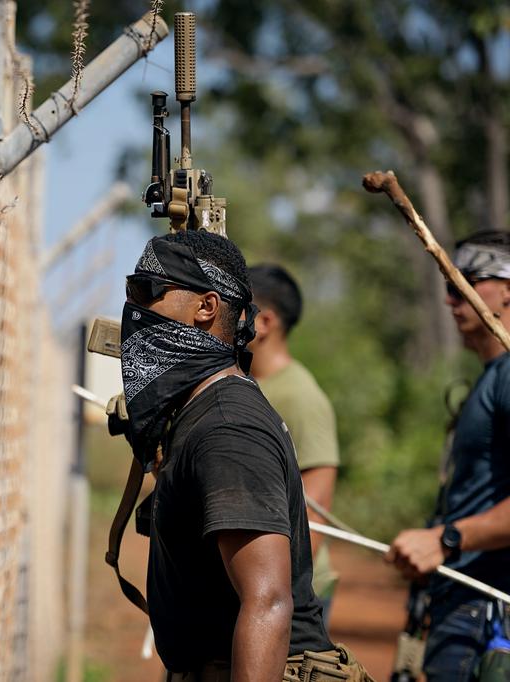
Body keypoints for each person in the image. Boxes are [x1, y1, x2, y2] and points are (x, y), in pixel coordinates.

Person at [119, 231, 370, 681]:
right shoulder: (203, 412)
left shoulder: (228, 427)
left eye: (147, 292)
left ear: (207, 308)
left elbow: (268, 600)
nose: (135, 310)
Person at [386, 230, 510, 681]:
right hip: (461, 602)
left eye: (463, 285)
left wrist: (446, 540)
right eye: (447, 286)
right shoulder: (492, 376)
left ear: (508, 290)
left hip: (488, 613)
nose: (449, 300)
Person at [248, 264, 341, 625]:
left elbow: (314, 513)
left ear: (264, 323)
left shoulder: (302, 397)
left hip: (286, 595)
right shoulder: (245, 385)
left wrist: (278, 597)